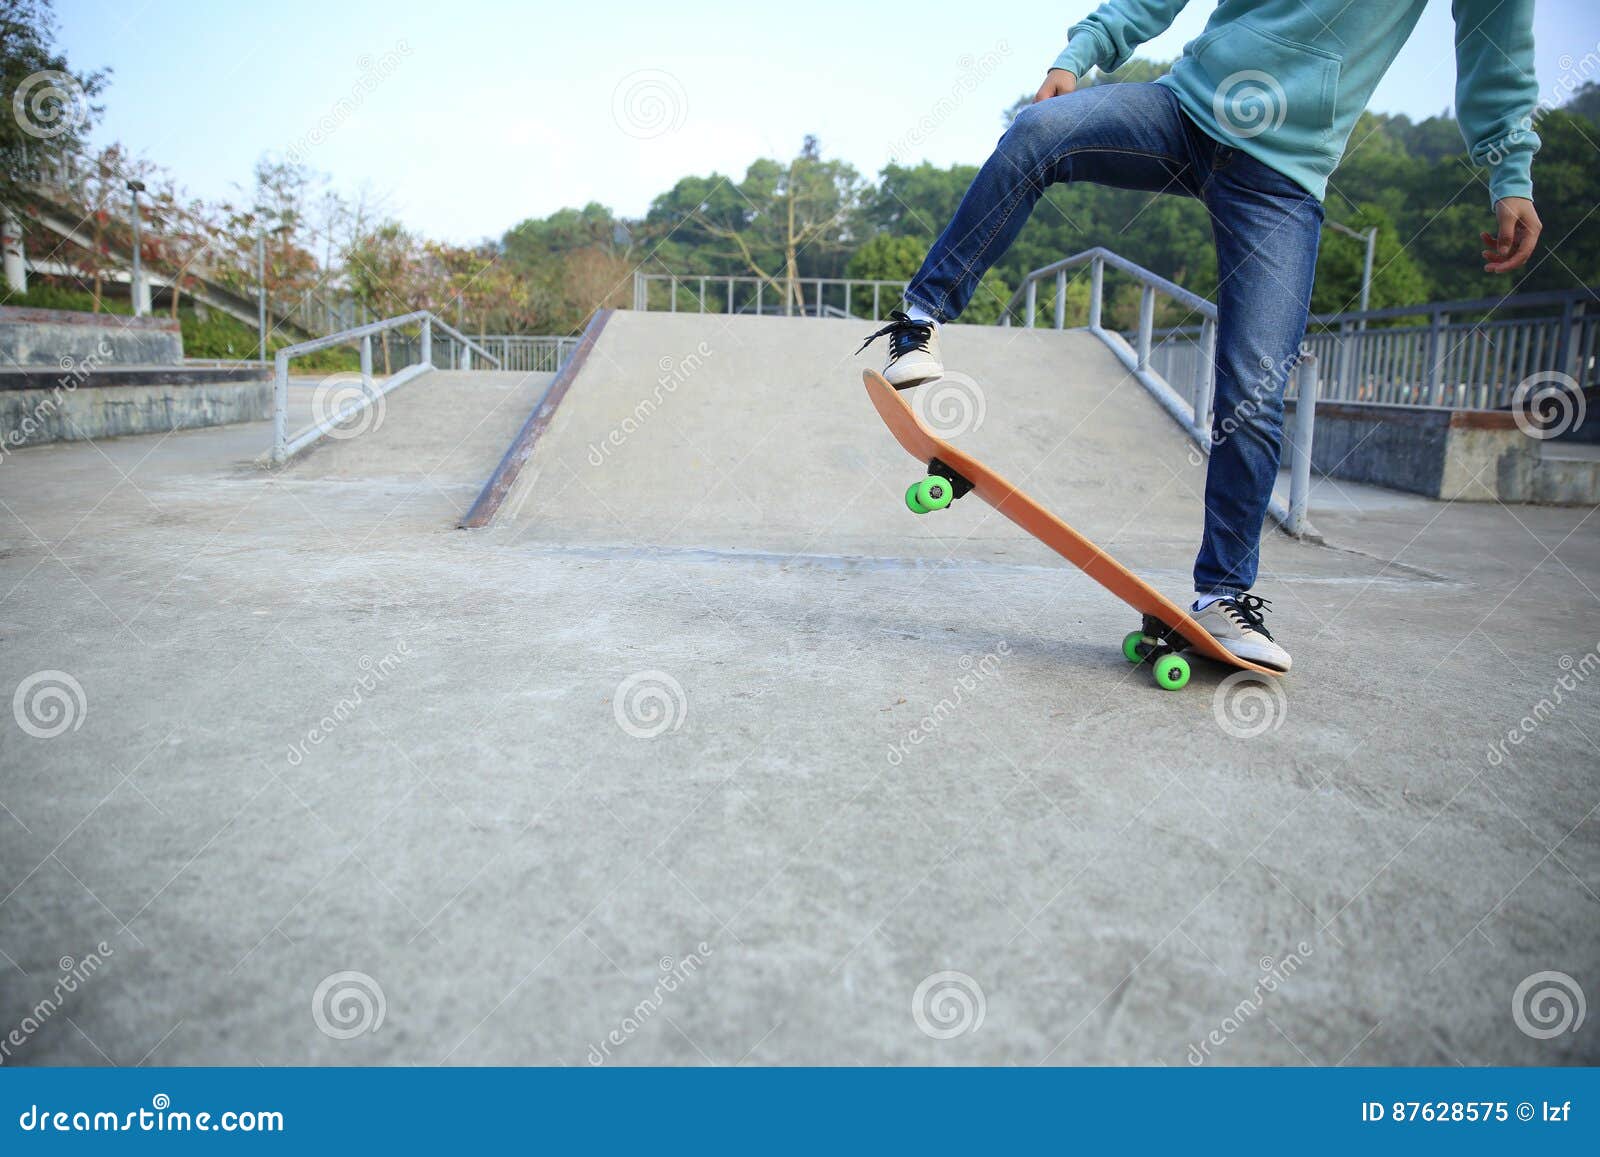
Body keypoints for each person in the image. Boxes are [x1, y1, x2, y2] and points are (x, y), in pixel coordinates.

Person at [859, 0, 1541, 671]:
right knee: (1037, 132)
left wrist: (1511, 173)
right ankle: (919, 323)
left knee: (1254, 386)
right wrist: (1082, 51)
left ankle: (1224, 593)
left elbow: (1495, 42)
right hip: (1183, 110)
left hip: (1283, 176)